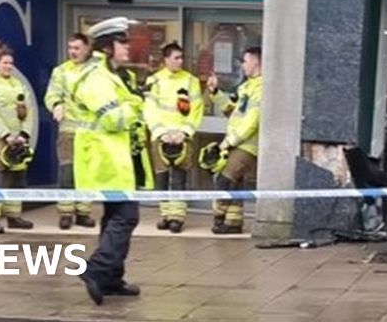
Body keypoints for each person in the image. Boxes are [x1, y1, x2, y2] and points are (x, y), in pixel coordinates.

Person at [72, 17, 154, 305]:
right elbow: (113, 119)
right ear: (108, 47)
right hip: (104, 159)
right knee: (126, 216)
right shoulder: (96, 79)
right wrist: (136, 105)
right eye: (122, 42)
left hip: (119, 158)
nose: (127, 47)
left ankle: (110, 279)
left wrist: (132, 105)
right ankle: (96, 270)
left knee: (114, 217)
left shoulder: (119, 76)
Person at [143, 42, 203, 233]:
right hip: (161, 137)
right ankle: (165, 215)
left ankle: (177, 218)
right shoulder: (154, 81)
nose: (180, 61)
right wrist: (162, 133)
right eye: (176, 58)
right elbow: (149, 109)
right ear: (166, 59)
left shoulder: (191, 81)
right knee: (161, 178)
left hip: (182, 137)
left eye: (181, 57)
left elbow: (197, 110)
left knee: (179, 177)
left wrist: (183, 132)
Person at [0, 40, 35, 234]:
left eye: (11, 63)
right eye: (5, 63)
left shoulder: (18, 84)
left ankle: (14, 217)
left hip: (18, 140)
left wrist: (24, 134)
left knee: (17, 178)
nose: (9, 66)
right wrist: (5, 134)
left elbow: (29, 111)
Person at [205, 46, 262, 234]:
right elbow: (232, 110)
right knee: (235, 182)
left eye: (245, 61)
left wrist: (230, 142)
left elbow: (252, 122)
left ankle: (219, 219)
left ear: (256, 62)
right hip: (238, 142)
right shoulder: (247, 86)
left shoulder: (261, 88)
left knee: (224, 179)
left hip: (246, 145)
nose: (243, 66)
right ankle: (233, 223)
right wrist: (215, 93)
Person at [44, 33, 97, 230]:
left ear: (86, 49)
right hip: (68, 130)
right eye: (70, 48)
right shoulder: (61, 71)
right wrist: (57, 104)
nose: (72, 52)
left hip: (90, 132)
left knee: (87, 175)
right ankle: (65, 213)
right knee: (67, 173)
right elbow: (51, 94)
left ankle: (83, 212)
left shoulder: (96, 70)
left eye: (76, 48)